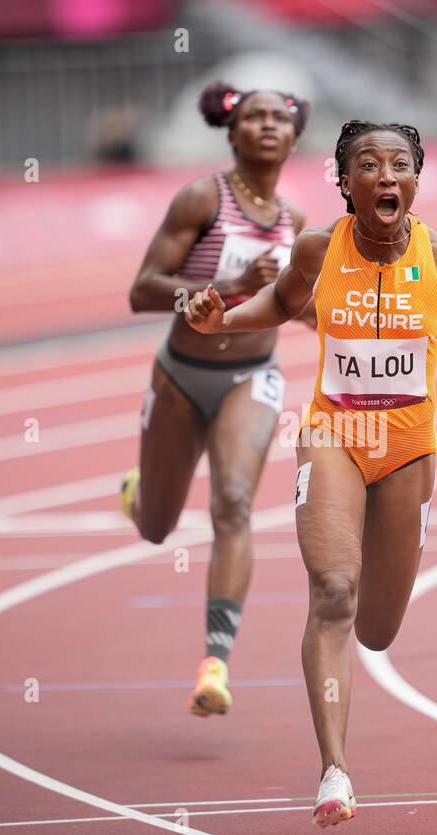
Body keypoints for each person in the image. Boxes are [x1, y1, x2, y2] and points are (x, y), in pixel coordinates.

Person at [186, 120, 437, 826]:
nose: (385, 175)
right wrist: (223, 321)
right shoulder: (317, 249)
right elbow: (283, 303)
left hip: (408, 445)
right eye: (368, 164)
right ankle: (334, 770)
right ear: (345, 182)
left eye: (400, 164)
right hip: (335, 430)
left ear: (416, 181)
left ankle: (352, 692)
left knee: (378, 629)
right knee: (334, 592)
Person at [125, 81, 310, 716]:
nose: (266, 125)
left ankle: (215, 664)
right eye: (252, 117)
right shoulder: (204, 198)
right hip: (181, 376)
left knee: (234, 503)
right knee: (157, 528)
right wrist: (226, 285)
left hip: (250, 379)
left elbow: (302, 309)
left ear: (292, 138)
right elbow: (143, 291)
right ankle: (139, 492)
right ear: (231, 134)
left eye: (278, 118)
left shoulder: (298, 226)